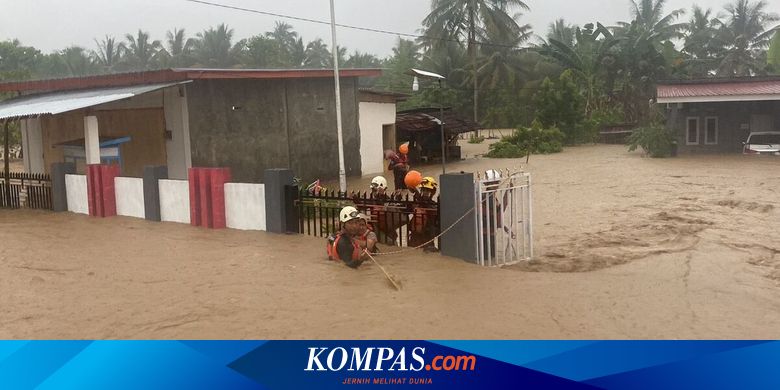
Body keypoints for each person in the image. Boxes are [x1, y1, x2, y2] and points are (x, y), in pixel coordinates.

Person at [408, 176, 439, 252]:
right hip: (415, 237)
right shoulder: (417, 203)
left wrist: (417, 193)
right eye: (423, 190)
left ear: (432, 192)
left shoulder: (434, 205)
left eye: (427, 191)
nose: (425, 192)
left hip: (427, 238)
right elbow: (406, 209)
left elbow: (428, 207)